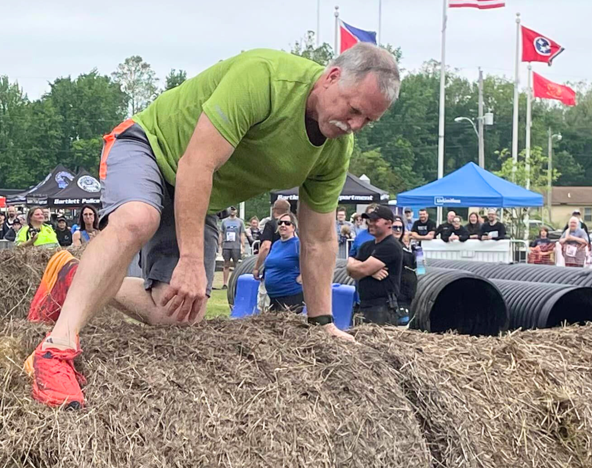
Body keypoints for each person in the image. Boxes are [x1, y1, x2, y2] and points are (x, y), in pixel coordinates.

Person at [25, 43, 401, 409]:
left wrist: (322, 323)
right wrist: (189, 260)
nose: (354, 126)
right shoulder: (265, 78)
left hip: (200, 194)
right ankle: (55, 349)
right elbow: (196, 164)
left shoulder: (334, 151)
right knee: (139, 217)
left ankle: (73, 278)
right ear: (332, 77)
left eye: (367, 120)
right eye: (353, 110)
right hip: (152, 148)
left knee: (174, 314)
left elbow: (319, 239)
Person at [347, 205, 403, 324]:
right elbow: (351, 271)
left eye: (375, 220)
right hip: (363, 304)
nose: (370, 223)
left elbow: (360, 270)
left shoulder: (391, 246)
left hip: (382, 307)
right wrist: (371, 271)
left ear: (388, 224)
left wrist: (363, 269)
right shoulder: (366, 246)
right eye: (369, 220)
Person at [263, 212, 303, 312]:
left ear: (293, 227)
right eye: (280, 223)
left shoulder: (298, 244)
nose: (283, 225)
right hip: (273, 297)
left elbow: (311, 262)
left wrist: (302, 276)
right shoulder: (276, 244)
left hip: (291, 296)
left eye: (287, 223)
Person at [391, 218, 416, 310]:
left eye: (400, 228)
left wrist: (419, 255)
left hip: (409, 289)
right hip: (396, 289)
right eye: (395, 227)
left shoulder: (414, 248)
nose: (398, 230)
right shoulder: (389, 245)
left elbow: (421, 269)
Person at [219, 206, 245, 289]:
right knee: (226, 264)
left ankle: (235, 282)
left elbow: (242, 234)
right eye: (231, 209)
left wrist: (243, 245)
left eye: (234, 209)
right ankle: (225, 283)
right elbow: (221, 233)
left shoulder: (240, 222)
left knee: (236, 264)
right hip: (226, 245)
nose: (232, 211)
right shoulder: (224, 222)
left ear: (236, 211)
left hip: (236, 246)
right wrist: (220, 244)